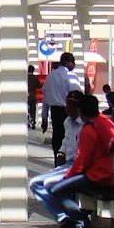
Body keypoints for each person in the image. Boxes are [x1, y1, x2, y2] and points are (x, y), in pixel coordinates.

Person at [33, 94, 114, 228]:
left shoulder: (89, 129)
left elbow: (81, 161)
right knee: (60, 186)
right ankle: (76, 220)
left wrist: (67, 177)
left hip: (97, 175)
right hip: (109, 172)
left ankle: (82, 223)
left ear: (81, 110)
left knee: (57, 189)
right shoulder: (106, 122)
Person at [28, 91, 84, 219]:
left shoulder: (85, 125)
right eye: (67, 104)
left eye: (72, 105)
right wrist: (61, 152)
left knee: (47, 183)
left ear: (79, 107)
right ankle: (64, 217)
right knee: (36, 183)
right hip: (68, 164)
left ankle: (74, 218)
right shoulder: (68, 122)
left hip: (78, 165)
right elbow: (66, 141)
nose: (68, 108)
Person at [42, 52, 83, 163]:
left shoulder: (50, 76)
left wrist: (44, 117)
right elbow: (77, 95)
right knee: (70, 136)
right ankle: (68, 162)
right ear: (68, 62)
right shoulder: (71, 76)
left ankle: (58, 160)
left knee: (57, 137)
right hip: (69, 111)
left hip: (54, 111)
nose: (74, 65)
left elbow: (45, 97)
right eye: (73, 63)